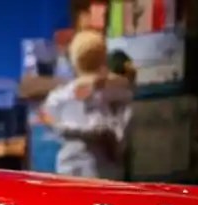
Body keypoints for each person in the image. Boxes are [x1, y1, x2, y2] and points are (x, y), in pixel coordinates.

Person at [39, 30, 133, 180]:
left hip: (70, 168)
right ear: (103, 56)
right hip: (105, 171)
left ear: (74, 60)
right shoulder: (119, 92)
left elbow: (48, 117)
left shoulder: (60, 97)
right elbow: (122, 133)